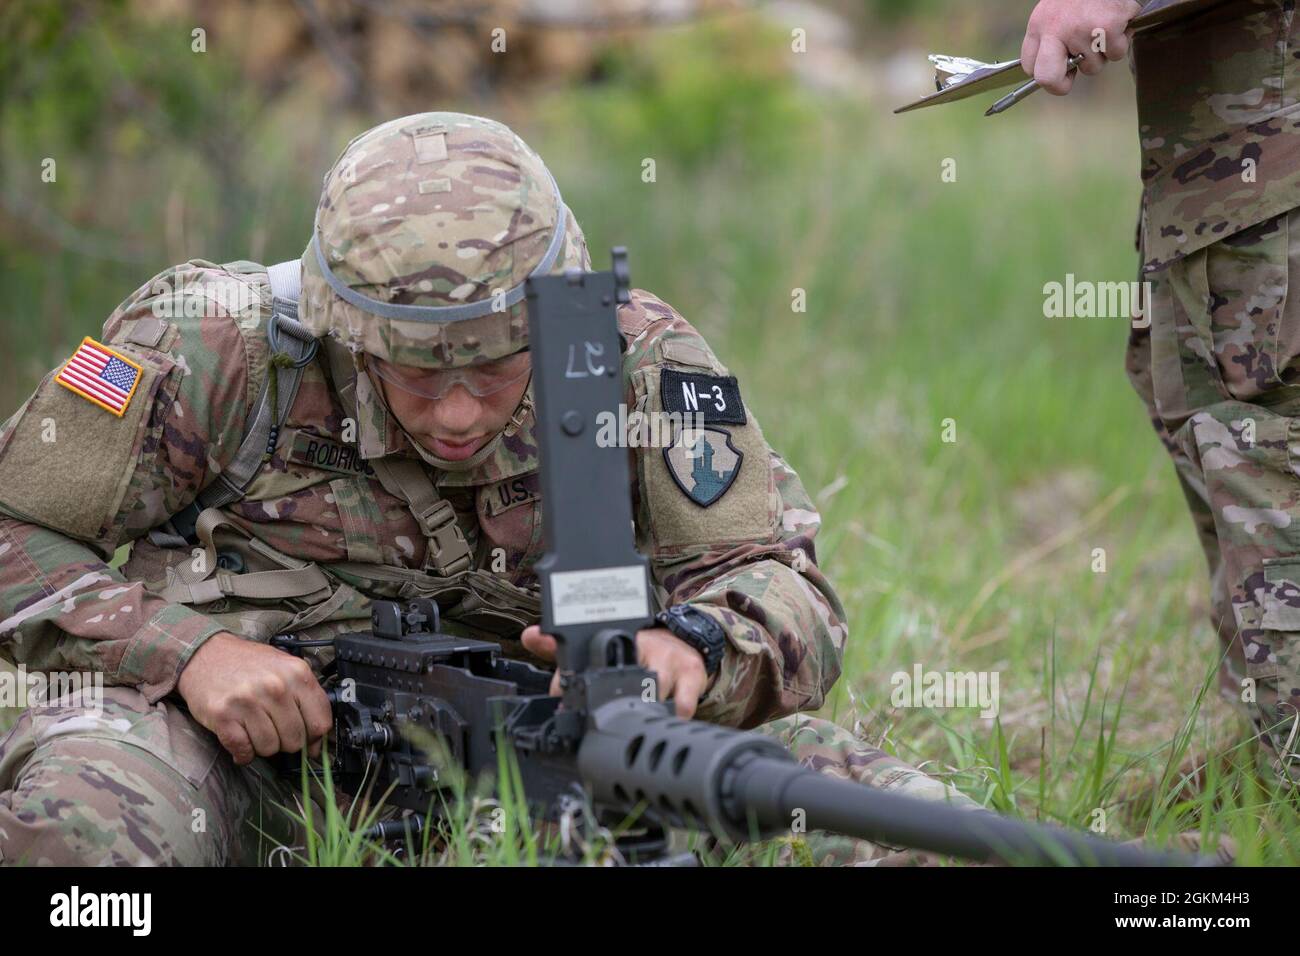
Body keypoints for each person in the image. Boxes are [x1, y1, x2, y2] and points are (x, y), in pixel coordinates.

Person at [0, 112, 968, 866]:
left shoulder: (630, 361)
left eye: (497, 370)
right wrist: (189, 649)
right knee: (82, 832)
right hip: (226, 740)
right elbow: (16, 529)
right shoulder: (212, 345)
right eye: (418, 375)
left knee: (916, 826)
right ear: (348, 329)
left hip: (559, 746)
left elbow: (777, 576)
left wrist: (693, 646)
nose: (458, 413)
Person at [1020, 0, 1300, 779]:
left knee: (1273, 456)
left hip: (1273, 187)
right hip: (1214, 190)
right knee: (1227, 464)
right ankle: (1270, 773)